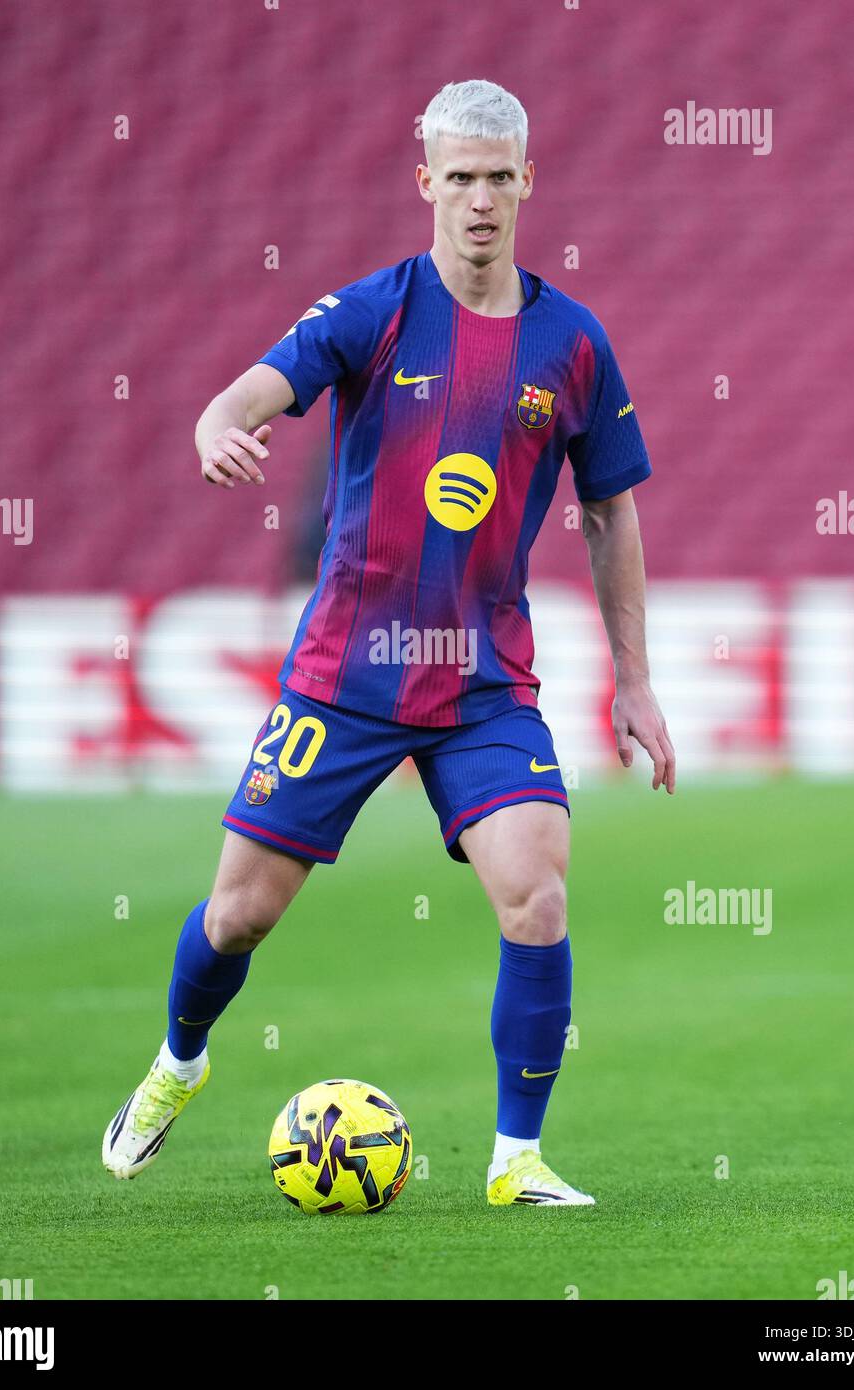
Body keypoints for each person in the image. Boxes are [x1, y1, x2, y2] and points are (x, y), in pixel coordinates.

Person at [103, 79, 675, 1207]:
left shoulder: (571, 343)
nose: (477, 199)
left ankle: (515, 1161)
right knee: (238, 915)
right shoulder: (376, 309)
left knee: (538, 895)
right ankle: (179, 1063)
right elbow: (254, 390)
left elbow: (610, 511)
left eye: (496, 178)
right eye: (456, 176)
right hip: (347, 675)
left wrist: (635, 683)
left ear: (526, 184)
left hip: (481, 684)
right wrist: (220, 425)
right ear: (424, 181)